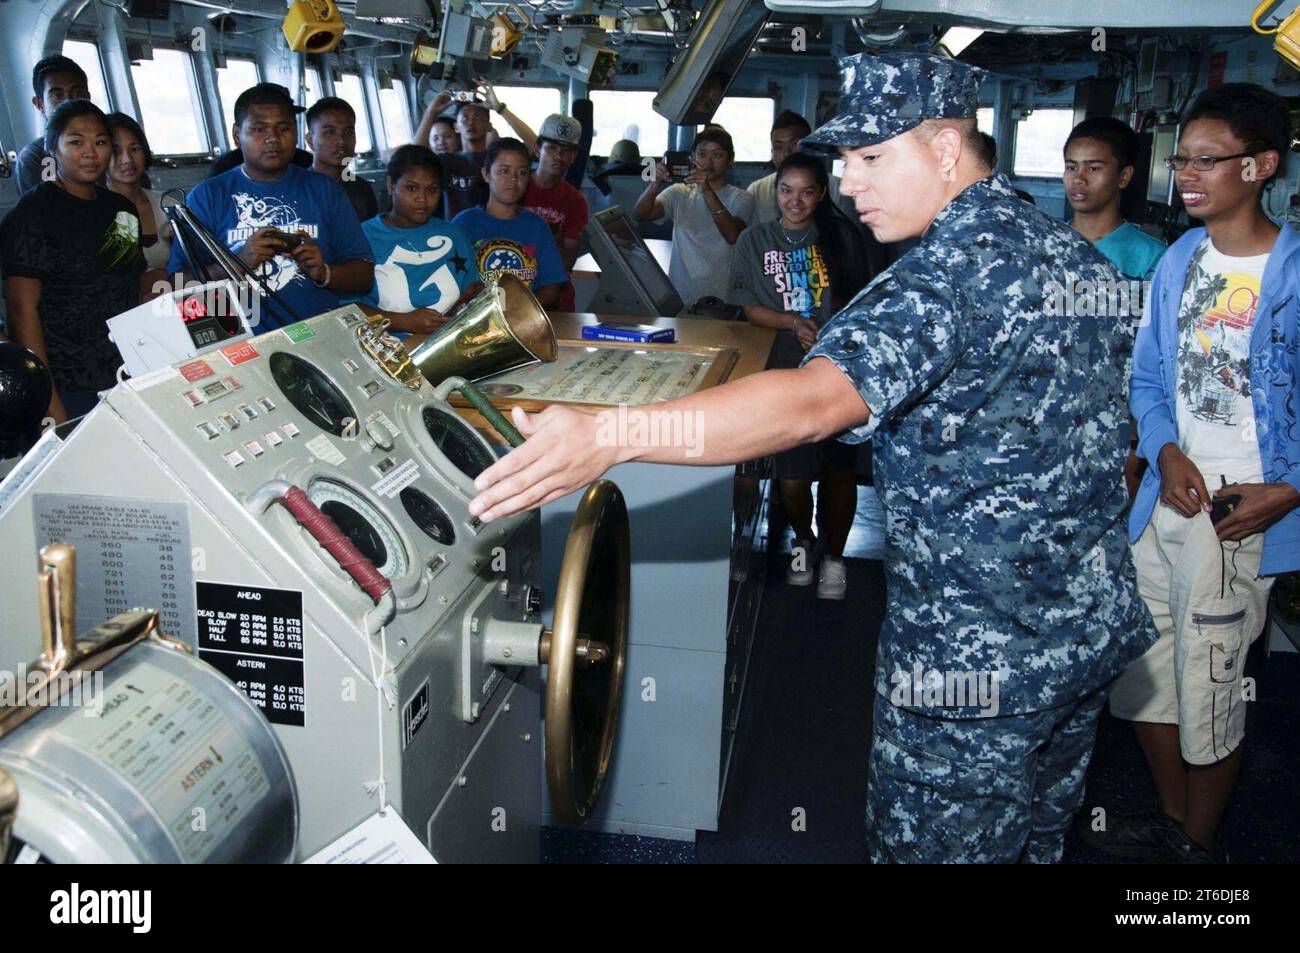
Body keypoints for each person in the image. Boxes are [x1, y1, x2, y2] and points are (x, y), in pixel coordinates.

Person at [467, 52, 1157, 864]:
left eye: (871, 157)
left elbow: (810, 403)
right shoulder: (1070, 255)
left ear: (943, 148)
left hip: (977, 657)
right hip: (1083, 630)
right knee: (1036, 844)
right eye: (841, 162)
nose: (849, 183)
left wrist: (609, 434)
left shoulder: (944, 276)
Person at [1089, 84, 1300, 864]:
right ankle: (1180, 822)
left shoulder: (1295, 271)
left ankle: (1196, 847)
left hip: (1238, 511)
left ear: (1261, 166)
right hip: (1166, 496)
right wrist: (1166, 447)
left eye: (1206, 161)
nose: (1185, 174)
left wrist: (1292, 486)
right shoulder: (1181, 257)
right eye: (1181, 159)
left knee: (1212, 690)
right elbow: (1149, 377)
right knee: (1145, 675)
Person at [729, 153, 885, 599]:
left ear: (822, 195)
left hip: (838, 374)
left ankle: (834, 558)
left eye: (807, 191)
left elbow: (865, 305)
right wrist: (791, 322)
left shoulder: (844, 240)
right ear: (774, 191)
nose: (795, 201)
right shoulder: (754, 240)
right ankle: (803, 544)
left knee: (838, 473)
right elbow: (747, 305)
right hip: (782, 373)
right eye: (786, 190)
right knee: (793, 479)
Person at [167, 83, 374, 331]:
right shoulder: (208, 196)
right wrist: (239, 262)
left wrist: (323, 272)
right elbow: (177, 285)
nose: (272, 139)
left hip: (320, 333)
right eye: (259, 129)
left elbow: (364, 276)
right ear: (236, 134)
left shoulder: (325, 190)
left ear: (296, 133)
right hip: (242, 343)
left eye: (283, 128)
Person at [2, 101, 145, 422]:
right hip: (67, 382)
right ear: (53, 148)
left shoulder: (121, 209)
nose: (91, 153)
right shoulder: (33, 215)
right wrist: (49, 401)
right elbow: (22, 311)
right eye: (76, 142)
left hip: (126, 369)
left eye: (100, 142)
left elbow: (127, 285)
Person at [353, 145, 481, 337]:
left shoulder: (454, 236)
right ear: (390, 185)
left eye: (431, 190)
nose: (422, 199)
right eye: (411, 188)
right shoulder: (363, 237)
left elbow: (472, 294)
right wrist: (403, 322)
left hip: (452, 347)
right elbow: (347, 311)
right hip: (385, 352)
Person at [634, 127, 754, 309]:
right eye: (702, 154)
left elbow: (732, 235)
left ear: (731, 161)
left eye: (718, 155)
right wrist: (655, 184)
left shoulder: (742, 197)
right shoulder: (679, 192)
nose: (708, 161)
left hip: (725, 297)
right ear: (692, 158)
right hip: (682, 294)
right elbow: (641, 214)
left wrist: (707, 190)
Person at [451, 138, 568, 308]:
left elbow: (551, 286)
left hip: (523, 321)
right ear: (486, 174)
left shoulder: (537, 226)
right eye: (504, 171)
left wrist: (520, 310)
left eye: (522, 172)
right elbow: (450, 285)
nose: (514, 179)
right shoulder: (463, 224)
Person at [1064, 116, 1166, 281]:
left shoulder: (1154, 258)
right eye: (1071, 167)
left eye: (1093, 168)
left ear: (1124, 176)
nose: (1078, 179)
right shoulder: (1046, 242)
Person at [518, 114, 589, 312]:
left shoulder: (576, 201)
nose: (558, 156)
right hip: (514, 291)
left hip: (557, 299)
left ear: (573, 157)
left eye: (566, 151)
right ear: (537, 149)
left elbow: (567, 261)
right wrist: (551, 242)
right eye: (552, 148)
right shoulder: (516, 188)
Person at [745, 110, 857, 225]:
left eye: (795, 144)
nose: (787, 153)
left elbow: (848, 237)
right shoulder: (757, 190)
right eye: (779, 147)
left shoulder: (839, 188)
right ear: (772, 153)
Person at [104, 112, 172, 294]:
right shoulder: (94, 212)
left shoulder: (167, 204)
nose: (127, 159)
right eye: (116, 151)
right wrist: (160, 276)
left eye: (134, 149)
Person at [15, 55, 90, 197]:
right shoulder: (35, 157)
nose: (69, 102)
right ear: (40, 104)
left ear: (88, 97)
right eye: (57, 96)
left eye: (78, 93)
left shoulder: (112, 142)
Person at [305, 97, 379, 223]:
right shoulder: (298, 188)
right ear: (310, 140)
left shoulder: (362, 190)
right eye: (329, 132)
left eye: (348, 133)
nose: (341, 141)